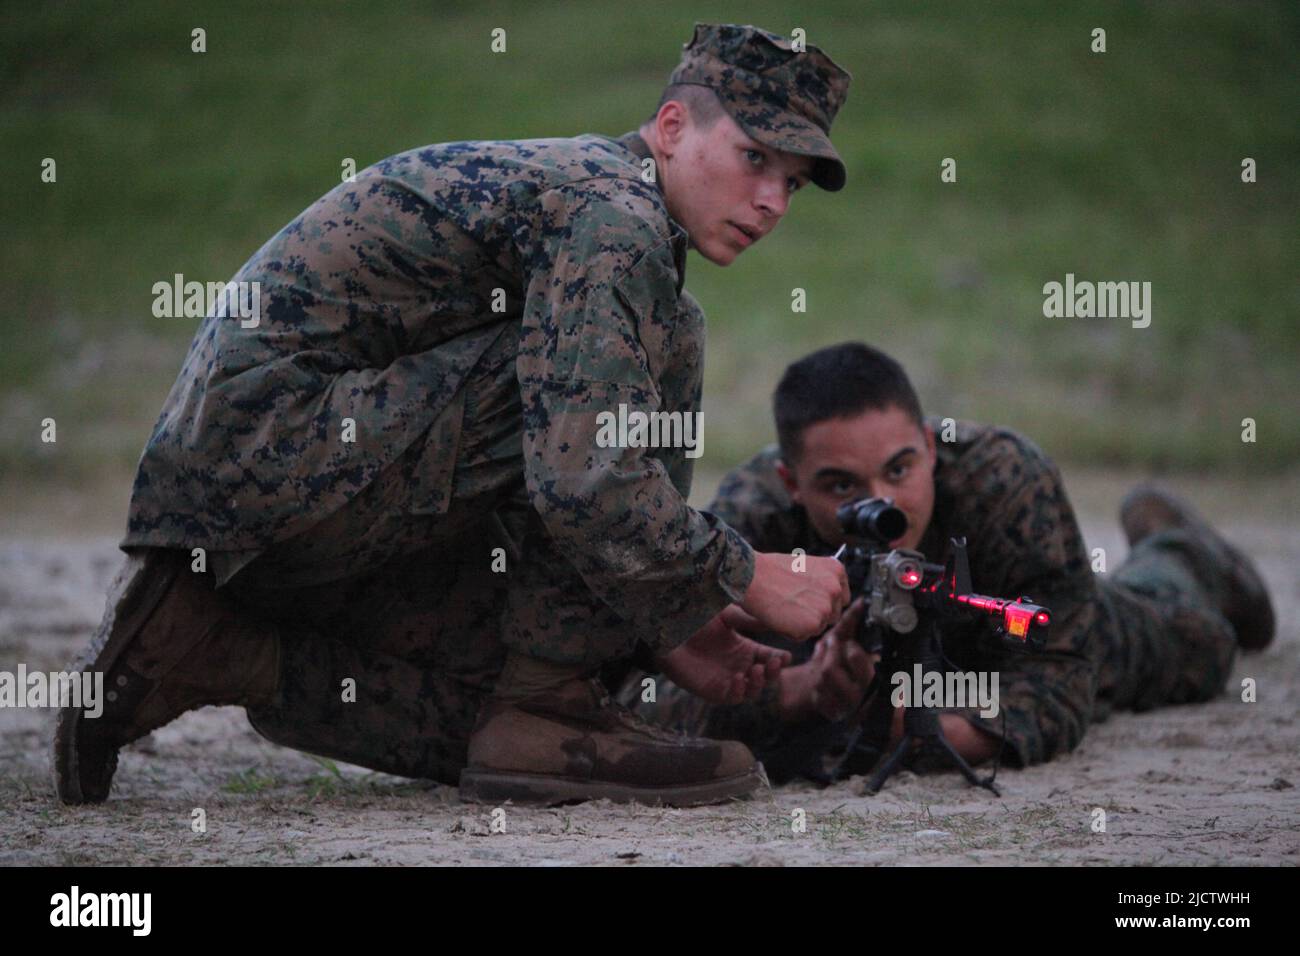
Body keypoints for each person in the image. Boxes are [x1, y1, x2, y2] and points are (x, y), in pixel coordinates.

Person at [53, 24, 856, 807]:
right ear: (674, 127)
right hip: (275, 459)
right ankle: (552, 702)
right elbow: (584, 477)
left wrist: (667, 621)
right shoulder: (614, 215)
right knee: (659, 341)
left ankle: (204, 646)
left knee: (507, 723)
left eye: (790, 182)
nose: (771, 200)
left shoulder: (605, 200)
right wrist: (747, 573)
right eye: (755, 158)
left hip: (252, 494)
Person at [621, 342, 1276, 780]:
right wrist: (803, 695)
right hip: (909, 687)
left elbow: (1059, 684)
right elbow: (647, 698)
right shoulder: (755, 517)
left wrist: (901, 728)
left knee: (1199, 645)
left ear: (931, 448)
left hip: (1004, 642)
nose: (885, 507)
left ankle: (1183, 553)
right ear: (794, 485)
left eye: (900, 469)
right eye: (842, 487)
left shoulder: (1003, 479)